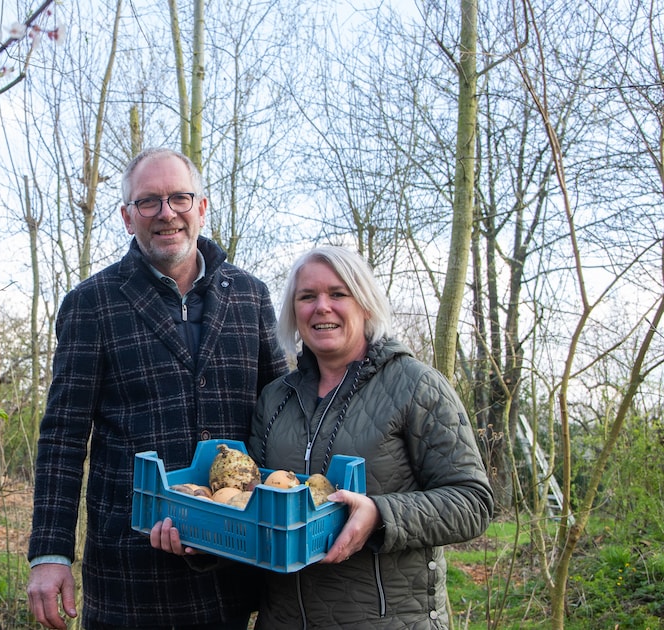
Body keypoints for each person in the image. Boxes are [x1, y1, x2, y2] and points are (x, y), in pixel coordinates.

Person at [151, 245, 494, 629]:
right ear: (294, 312)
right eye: (307, 297)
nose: (322, 307)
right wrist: (204, 540)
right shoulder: (276, 399)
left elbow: (474, 502)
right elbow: (253, 505)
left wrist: (380, 515)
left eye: (338, 293)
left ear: (365, 304)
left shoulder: (416, 386)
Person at [26, 148, 289, 630]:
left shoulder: (250, 296)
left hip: (235, 564)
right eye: (148, 201)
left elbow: (281, 416)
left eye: (179, 198)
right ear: (128, 217)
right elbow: (63, 436)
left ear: (201, 207)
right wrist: (49, 552)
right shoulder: (91, 304)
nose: (166, 213)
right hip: (131, 574)